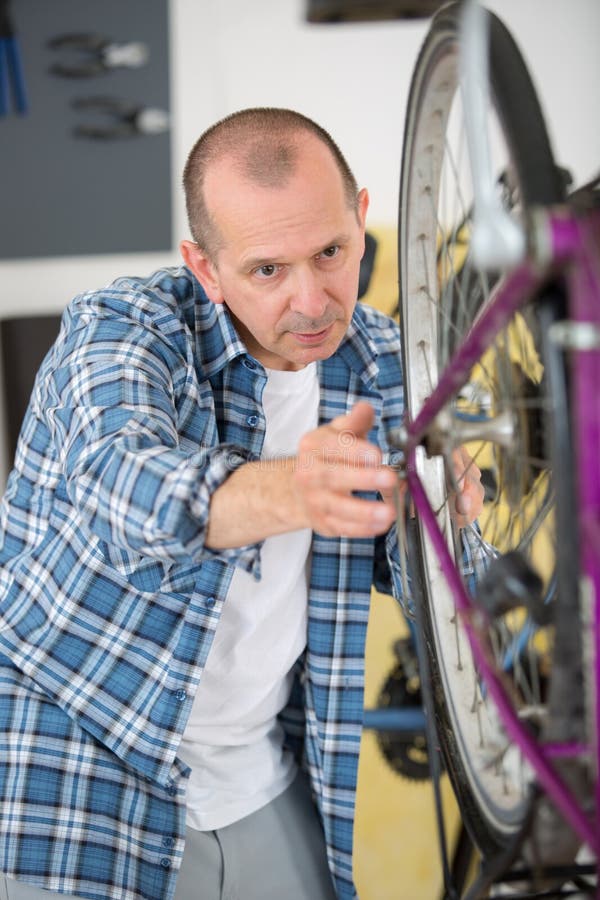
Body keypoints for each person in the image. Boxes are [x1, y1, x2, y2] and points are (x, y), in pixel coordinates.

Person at [0, 107, 484, 900]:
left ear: (361, 218)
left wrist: (455, 522)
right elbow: (122, 491)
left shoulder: (382, 360)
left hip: (268, 786)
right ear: (205, 266)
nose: (313, 302)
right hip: (72, 772)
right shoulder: (121, 329)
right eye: (267, 270)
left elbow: (447, 588)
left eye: (331, 252)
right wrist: (296, 485)